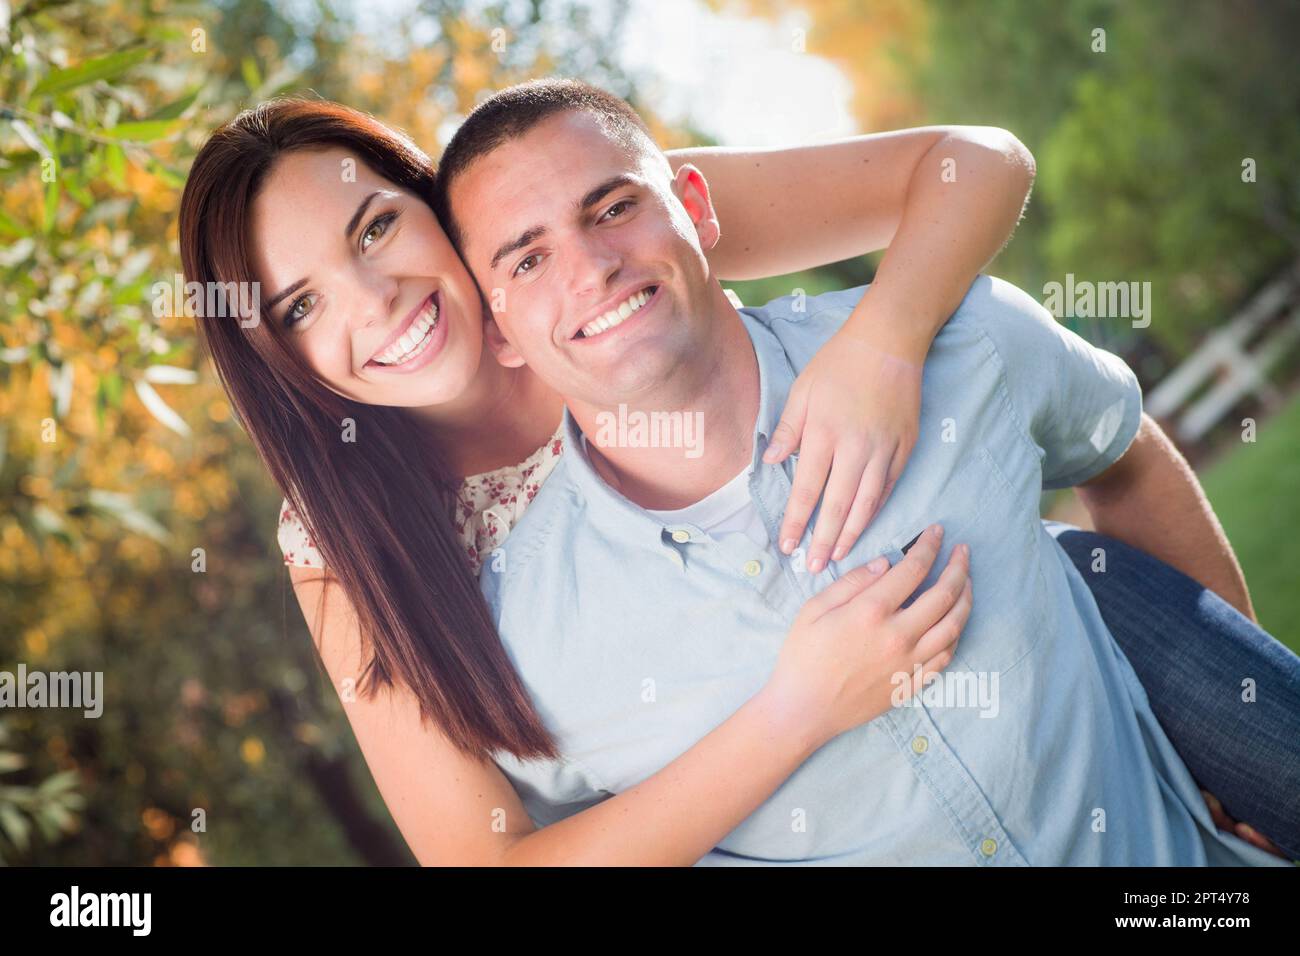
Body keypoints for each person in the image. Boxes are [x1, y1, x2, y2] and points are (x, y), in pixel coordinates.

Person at [432, 77, 1299, 865]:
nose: (590, 268)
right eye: (528, 258)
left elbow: (1125, 454)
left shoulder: (968, 347)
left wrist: (1235, 741)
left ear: (696, 208)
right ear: (498, 330)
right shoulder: (525, 646)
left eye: (613, 207)